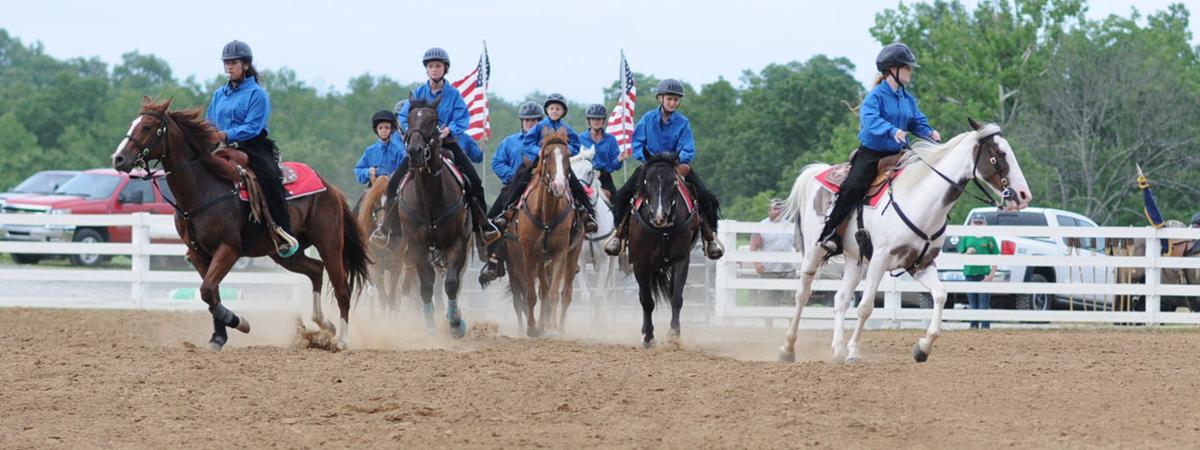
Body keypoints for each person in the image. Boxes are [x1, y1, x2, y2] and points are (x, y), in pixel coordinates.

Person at [816, 43, 942, 255]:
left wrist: (929, 132)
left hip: (900, 154)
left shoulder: (906, 97)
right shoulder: (875, 97)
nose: (911, 71)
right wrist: (892, 131)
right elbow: (870, 120)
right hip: (872, 155)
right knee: (853, 187)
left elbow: (916, 120)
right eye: (907, 67)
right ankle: (831, 233)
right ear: (893, 69)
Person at [604, 78, 723, 260]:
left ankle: (710, 236)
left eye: (676, 99)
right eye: (669, 99)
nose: (672, 102)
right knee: (622, 194)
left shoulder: (683, 122)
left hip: (677, 166)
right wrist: (648, 160)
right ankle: (619, 234)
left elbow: (688, 147)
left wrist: (677, 160)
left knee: (705, 195)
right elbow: (637, 144)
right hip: (651, 166)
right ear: (660, 98)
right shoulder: (647, 119)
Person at [392, 47, 498, 245]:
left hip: (446, 144)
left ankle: (483, 226)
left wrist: (450, 130)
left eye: (438, 66)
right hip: (421, 146)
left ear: (445, 69)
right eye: (431, 66)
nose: (434, 69)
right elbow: (403, 117)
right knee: (394, 182)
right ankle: (388, 228)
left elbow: (462, 118)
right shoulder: (418, 93)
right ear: (426, 70)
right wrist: (412, 132)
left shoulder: (454, 94)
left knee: (474, 181)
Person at [205, 40, 297, 257]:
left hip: (253, 146)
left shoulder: (257, 94)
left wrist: (225, 134)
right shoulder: (219, 94)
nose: (229, 66)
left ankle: (282, 231)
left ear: (245, 64)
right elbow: (209, 120)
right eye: (226, 63)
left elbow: (253, 127)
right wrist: (206, 134)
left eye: (234, 62)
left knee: (270, 177)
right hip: (222, 145)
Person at [491, 93, 596, 233]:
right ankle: (508, 211)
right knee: (520, 181)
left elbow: (576, 145)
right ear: (547, 110)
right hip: (539, 161)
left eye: (558, 109)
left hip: (558, 162)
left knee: (576, 184)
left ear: (563, 112)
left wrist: (566, 151)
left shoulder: (566, 128)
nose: (554, 111)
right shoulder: (540, 126)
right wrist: (539, 152)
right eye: (552, 108)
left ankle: (586, 214)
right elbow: (528, 143)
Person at [479, 101, 544, 283]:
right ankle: (493, 261)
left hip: (541, 186)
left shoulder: (546, 142)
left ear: (540, 122)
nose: (530, 124)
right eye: (527, 120)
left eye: (534, 121)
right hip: (514, 187)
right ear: (521, 122)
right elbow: (497, 162)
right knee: (492, 220)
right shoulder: (509, 142)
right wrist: (513, 176)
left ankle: (568, 252)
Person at [749, 199, 797, 306]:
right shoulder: (762, 225)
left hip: (788, 270)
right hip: (769, 270)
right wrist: (756, 263)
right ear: (769, 211)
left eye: (780, 209)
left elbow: (798, 246)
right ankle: (769, 322)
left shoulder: (790, 226)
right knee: (768, 301)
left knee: (790, 301)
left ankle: (790, 322)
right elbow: (753, 247)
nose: (778, 212)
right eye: (775, 209)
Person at [958, 215, 998, 329]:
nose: (978, 225)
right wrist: (967, 253)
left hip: (983, 274)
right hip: (970, 274)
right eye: (976, 223)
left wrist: (991, 275)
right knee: (973, 303)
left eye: (980, 223)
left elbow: (996, 257)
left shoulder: (989, 238)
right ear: (972, 224)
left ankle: (985, 327)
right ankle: (973, 326)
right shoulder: (966, 238)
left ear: (985, 224)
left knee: (983, 303)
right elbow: (960, 255)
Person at [579, 104, 622, 196]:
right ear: (589, 121)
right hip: (585, 175)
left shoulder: (611, 139)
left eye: (599, 119)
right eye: (593, 119)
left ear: (603, 121)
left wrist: (619, 159)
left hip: (604, 177)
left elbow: (615, 166)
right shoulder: (580, 138)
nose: (596, 121)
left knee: (616, 202)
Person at [354, 110, 407, 186]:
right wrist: (368, 171)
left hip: (392, 189)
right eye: (380, 128)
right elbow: (358, 170)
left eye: (386, 128)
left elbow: (405, 172)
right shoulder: (369, 151)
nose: (383, 131)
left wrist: (395, 175)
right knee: (363, 198)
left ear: (391, 129)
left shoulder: (399, 152)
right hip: (373, 188)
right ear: (376, 130)